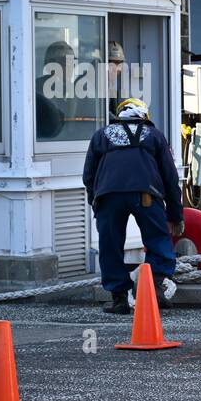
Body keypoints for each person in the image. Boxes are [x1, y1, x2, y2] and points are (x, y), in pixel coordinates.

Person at [82, 98, 185, 314]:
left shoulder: (101, 135)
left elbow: (89, 175)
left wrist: (95, 201)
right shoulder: (154, 135)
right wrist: (175, 214)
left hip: (108, 196)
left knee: (110, 246)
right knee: (158, 240)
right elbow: (170, 176)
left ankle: (119, 300)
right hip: (146, 194)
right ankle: (153, 291)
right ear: (144, 116)